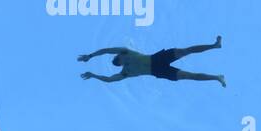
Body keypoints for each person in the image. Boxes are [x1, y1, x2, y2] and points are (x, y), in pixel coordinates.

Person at [77, 36, 225, 87]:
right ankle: (217, 77)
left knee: (186, 50)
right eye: (119, 62)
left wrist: (90, 56)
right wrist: (94, 75)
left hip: (157, 58)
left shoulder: (126, 52)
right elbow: (109, 80)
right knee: (189, 76)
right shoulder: (126, 73)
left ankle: (214, 45)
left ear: (119, 56)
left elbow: (107, 50)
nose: (121, 61)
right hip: (158, 71)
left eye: (119, 59)